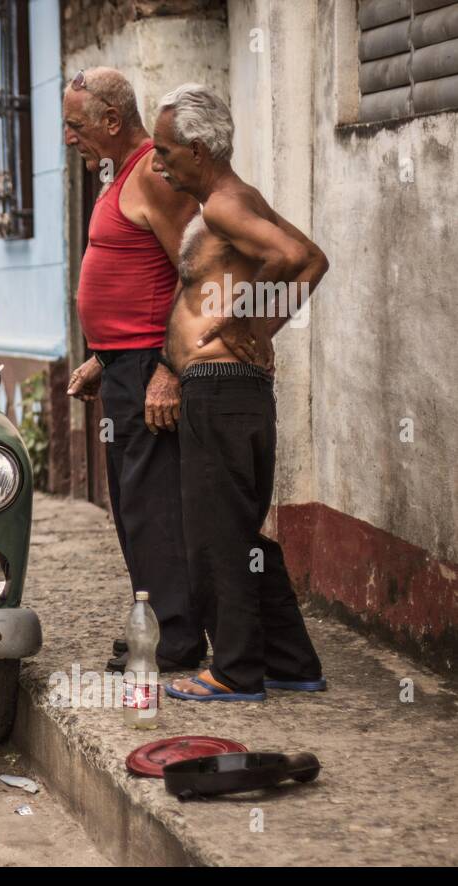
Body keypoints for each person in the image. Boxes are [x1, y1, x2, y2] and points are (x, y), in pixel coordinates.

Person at [149, 84, 328, 703]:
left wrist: (238, 325)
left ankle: (233, 671)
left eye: (167, 151)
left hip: (221, 390)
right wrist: (259, 326)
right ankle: (290, 661)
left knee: (216, 537)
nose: (158, 162)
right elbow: (312, 259)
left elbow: (296, 257)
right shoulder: (236, 199)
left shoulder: (225, 205)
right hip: (234, 390)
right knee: (241, 532)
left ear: (198, 150)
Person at [62, 67, 206, 672]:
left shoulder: (154, 173)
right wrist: (103, 356)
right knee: (130, 501)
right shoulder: (119, 173)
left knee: (152, 504)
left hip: (152, 365)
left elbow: (196, 274)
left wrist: (168, 368)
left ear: (113, 121)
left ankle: (175, 638)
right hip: (125, 363)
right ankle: (157, 623)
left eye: (76, 125)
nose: (69, 138)